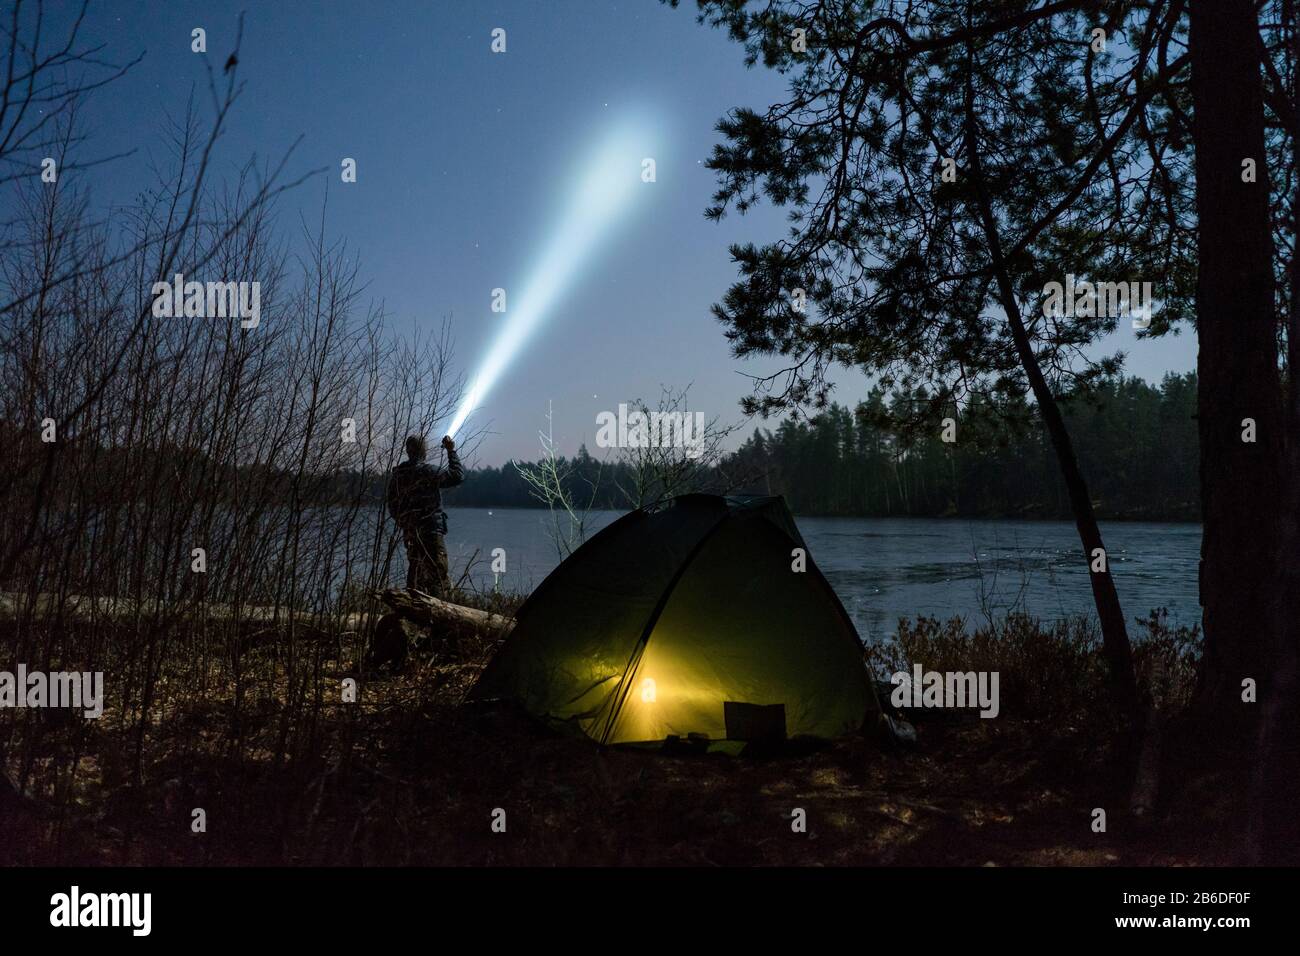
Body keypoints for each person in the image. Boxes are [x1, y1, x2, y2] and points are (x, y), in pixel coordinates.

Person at [386, 434, 464, 598]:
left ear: (408, 451)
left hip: (411, 533)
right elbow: (457, 476)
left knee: (415, 575)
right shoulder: (428, 471)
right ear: (424, 451)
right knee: (437, 575)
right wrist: (451, 451)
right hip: (431, 532)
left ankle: (413, 614)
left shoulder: (399, 475)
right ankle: (437, 615)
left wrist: (405, 524)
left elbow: (392, 505)